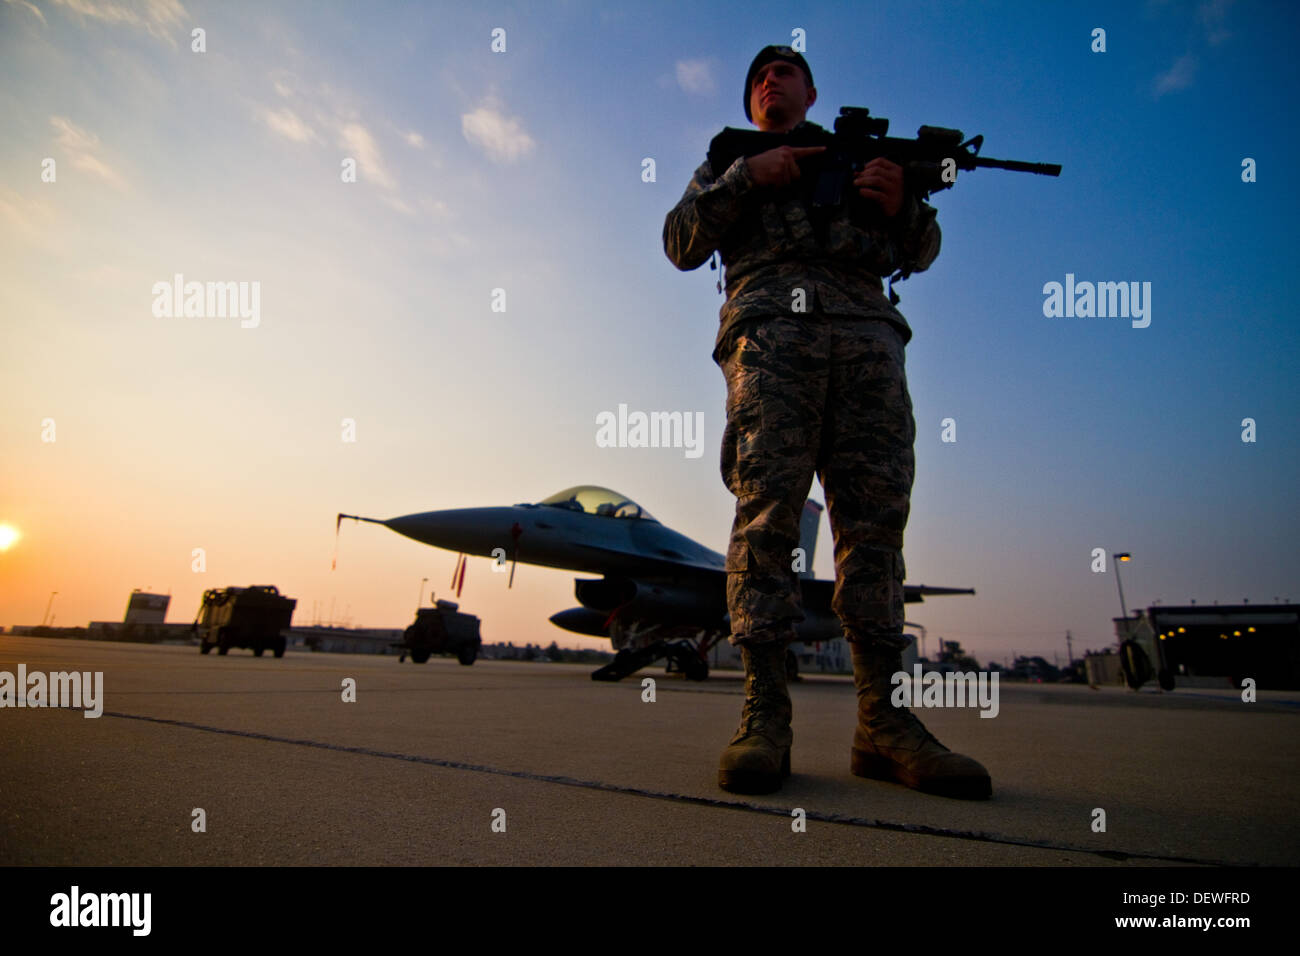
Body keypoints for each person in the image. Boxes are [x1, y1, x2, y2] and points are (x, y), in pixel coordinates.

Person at [662, 46, 991, 799]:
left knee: (874, 528)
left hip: (868, 338)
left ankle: (884, 723)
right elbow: (681, 242)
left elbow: (925, 247)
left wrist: (899, 202)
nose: (771, 79)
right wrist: (751, 178)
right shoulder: (728, 156)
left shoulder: (874, 161)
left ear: (813, 90)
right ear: (751, 102)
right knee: (768, 514)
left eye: (786, 71)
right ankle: (764, 715)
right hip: (770, 333)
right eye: (758, 76)